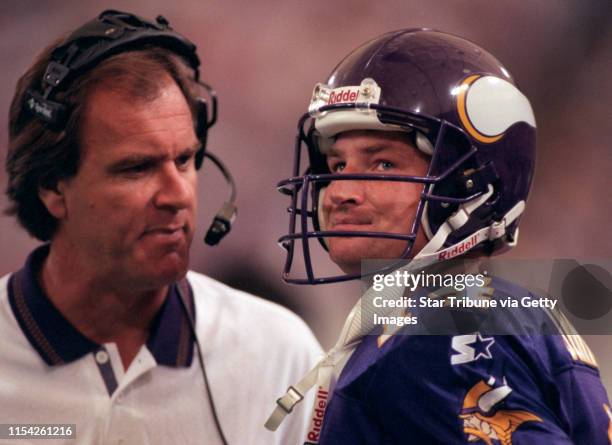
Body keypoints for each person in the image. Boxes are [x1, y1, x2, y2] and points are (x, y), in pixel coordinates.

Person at [266, 29, 612, 444]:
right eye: (338, 166)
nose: (341, 191)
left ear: (472, 185)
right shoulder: (503, 310)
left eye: (383, 165)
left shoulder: (434, 335)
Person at [1, 10, 321, 445]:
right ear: (52, 187)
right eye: (136, 168)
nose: (177, 194)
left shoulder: (280, 354)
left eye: (185, 160)